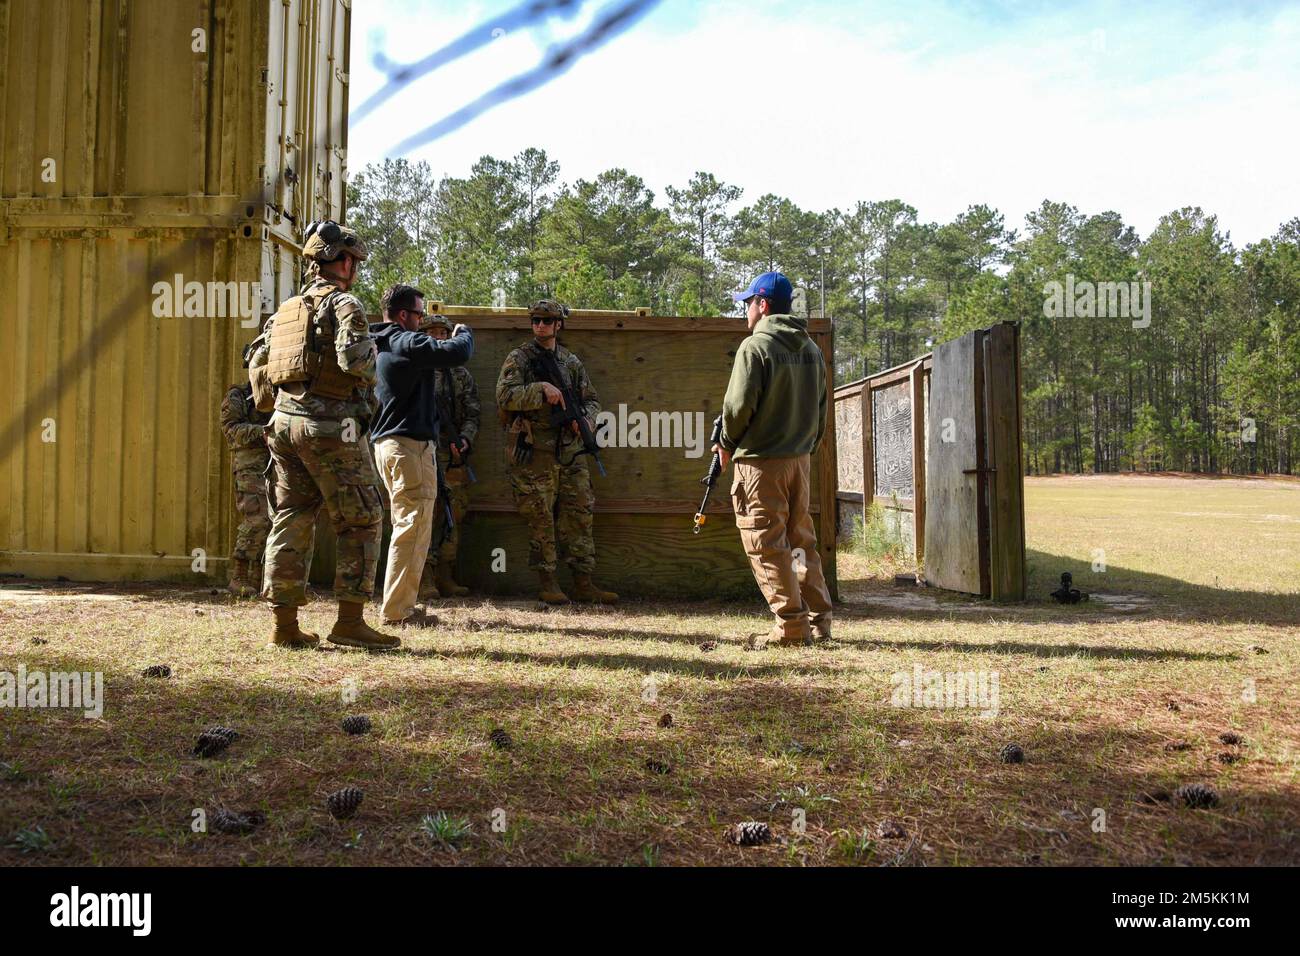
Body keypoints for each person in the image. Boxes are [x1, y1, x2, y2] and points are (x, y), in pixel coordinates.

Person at [248, 220, 395, 650]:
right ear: (342, 261)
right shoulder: (345, 303)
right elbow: (355, 361)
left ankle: (285, 626)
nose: (356, 268)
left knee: (292, 516)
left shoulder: (287, 310)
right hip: (331, 426)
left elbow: (256, 360)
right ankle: (349, 621)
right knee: (362, 518)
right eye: (355, 261)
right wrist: (374, 358)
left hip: (283, 424)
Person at [713, 271, 833, 647]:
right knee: (800, 542)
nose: (745, 310)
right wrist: (806, 448)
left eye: (748, 303)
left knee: (766, 542)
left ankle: (791, 627)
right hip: (799, 460)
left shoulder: (756, 347)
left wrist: (726, 443)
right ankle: (817, 620)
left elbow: (737, 408)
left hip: (761, 463)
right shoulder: (811, 349)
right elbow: (821, 409)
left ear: (762, 305)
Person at [495, 300, 617, 604]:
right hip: (535, 449)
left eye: (547, 321)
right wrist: (541, 390)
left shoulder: (570, 361)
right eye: (536, 320)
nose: (540, 326)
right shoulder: (520, 358)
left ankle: (583, 582)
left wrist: (586, 421)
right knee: (540, 516)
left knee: (579, 513)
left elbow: (591, 399)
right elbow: (504, 395)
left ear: (558, 325)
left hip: (570, 449)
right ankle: (548, 582)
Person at [369, 286, 474, 626]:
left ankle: (401, 605)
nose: (422, 321)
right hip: (407, 446)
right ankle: (398, 611)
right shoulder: (405, 342)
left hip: (390, 445)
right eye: (418, 315)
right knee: (412, 527)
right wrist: (464, 332)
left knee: (407, 525)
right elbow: (457, 352)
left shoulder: (378, 342)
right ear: (402, 316)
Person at [418, 313, 481, 599]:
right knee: (427, 513)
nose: (438, 338)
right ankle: (425, 576)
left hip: (455, 454)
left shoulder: (460, 373)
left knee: (454, 511)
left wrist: (465, 439)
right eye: (431, 333)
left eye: (443, 333)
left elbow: (473, 412)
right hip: (426, 450)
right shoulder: (418, 370)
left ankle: (446, 573)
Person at [219, 364, 270, 597]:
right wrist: (264, 432)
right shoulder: (238, 395)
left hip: (277, 465)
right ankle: (239, 575)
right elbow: (231, 430)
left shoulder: (279, 394)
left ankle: (259, 579)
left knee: (274, 522)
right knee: (256, 520)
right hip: (250, 467)